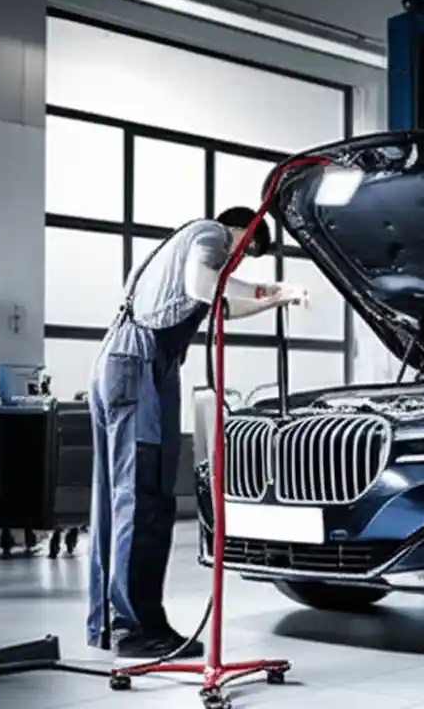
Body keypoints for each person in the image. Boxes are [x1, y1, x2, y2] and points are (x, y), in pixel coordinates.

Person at [86, 207, 307, 658]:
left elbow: (221, 302)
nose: (241, 259)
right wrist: (277, 288)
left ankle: (115, 623)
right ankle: (136, 627)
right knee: (142, 496)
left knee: (121, 498)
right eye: (247, 246)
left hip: (129, 362)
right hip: (138, 365)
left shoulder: (183, 247)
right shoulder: (208, 235)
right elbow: (203, 288)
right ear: (238, 228)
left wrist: (273, 299)